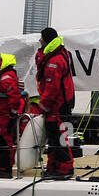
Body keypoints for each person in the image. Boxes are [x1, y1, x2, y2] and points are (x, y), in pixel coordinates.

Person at [35, 27, 76, 179]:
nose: (39, 40)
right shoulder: (57, 55)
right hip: (58, 105)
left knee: (59, 138)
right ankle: (54, 166)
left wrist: (43, 105)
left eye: (41, 38)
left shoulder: (55, 60)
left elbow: (52, 87)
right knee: (54, 137)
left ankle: (65, 168)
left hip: (57, 106)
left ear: (46, 39)